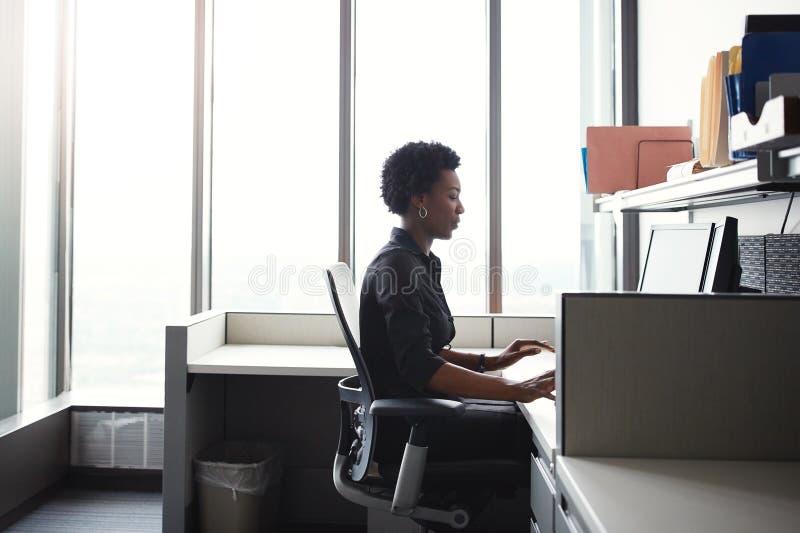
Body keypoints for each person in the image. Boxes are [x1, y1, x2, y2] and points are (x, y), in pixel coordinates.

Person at [359, 140, 556, 467]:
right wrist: (515, 388)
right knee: (530, 432)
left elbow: (425, 350)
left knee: (525, 413)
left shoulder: (418, 261)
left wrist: (490, 362)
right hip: (413, 430)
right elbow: (421, 366)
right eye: (452, 196)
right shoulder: (397, 267)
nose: (460, 208)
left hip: (424, 413)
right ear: (420, 199)